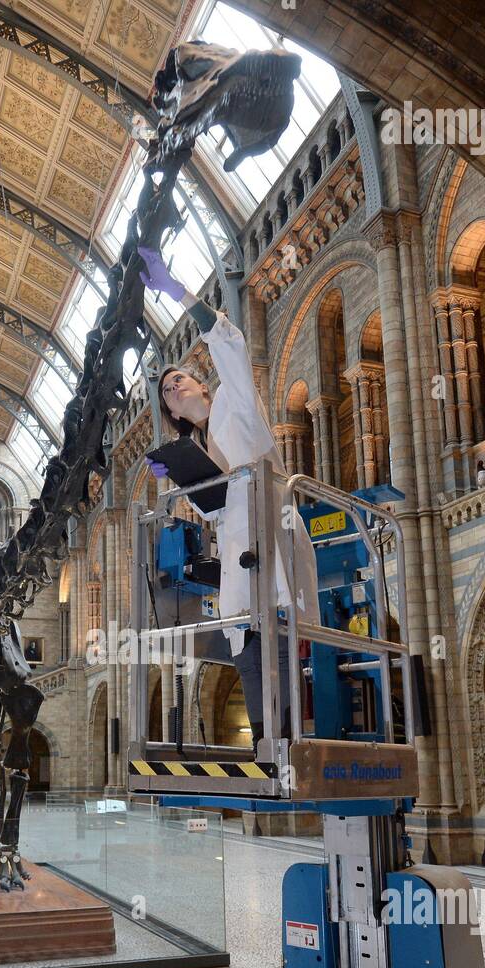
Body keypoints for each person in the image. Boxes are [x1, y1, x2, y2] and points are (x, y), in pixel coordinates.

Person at [138, 246, 320, 754]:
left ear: (200, 382)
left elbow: (226, 337)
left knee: (280, 632)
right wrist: (182, 478)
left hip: (272, 524)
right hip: (237, 549)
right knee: (245, 643)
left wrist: (173, 288)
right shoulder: (197, 444)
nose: (174, 388)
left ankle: (288, 740)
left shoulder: (235, 398)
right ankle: (264, 741)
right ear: (172, 413)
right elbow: (214, 507)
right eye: (167, 392)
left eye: (180, 380)